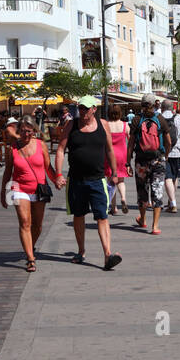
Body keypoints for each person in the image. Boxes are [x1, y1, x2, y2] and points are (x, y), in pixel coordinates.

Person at [54, 96, 122, 270]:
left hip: (98, 179)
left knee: (102, 216)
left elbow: (109, 150)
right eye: (80, 108)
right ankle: (81, 251)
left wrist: (115, 172)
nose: (82, 111)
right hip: (76, 179)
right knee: (79, 215)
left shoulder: (103, 125)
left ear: (94, 109)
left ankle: (108, 254)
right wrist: (59, 174)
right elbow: (61, 149)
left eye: (85, 108)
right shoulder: (71, 125)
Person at [0, 115, 50, 273]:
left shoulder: (41, 145)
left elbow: (48, 168)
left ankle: (29, 246)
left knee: (38, 225)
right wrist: (3, 192)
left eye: (29, 131)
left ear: (34, 131)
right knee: (25, 222)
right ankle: (30, 259)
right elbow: (8, 172)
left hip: (39, 188)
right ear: (18, 131)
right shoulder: (12, 149)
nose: (26, 134)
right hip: (19, 188)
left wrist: (58, 179)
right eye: (22, 131)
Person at [129, 100, 169, 235]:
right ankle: (155, 226)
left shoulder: (136, 119)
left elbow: (131, 142)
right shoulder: (160, 119)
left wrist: (128, 161)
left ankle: (143, 219)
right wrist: (165, 155)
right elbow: (168, 141)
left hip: (141, 161)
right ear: (154, 105)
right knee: (157, 192)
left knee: (142, 190)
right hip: (158, 160)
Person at [103, 104, 131, 216]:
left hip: (109, 156)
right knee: (120, 180)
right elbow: (131, 140)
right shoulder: (125, 125)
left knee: (111, 180)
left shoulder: (106, 125)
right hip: (122, 155)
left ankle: (113, 207)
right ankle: (123, 198)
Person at [158, 100, 180, 212]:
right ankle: (170, 200)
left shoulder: (158, 118)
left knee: (167, 177)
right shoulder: (179, 118)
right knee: (174, 177)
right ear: (172, 107)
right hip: (177, 151)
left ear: (162, 107)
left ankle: (173, 203)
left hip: (164, 152)